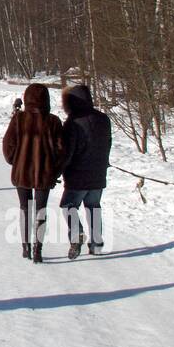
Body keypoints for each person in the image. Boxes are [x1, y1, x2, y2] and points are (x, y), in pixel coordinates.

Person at [2, 85, 64, 264]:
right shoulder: (53, 121)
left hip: (22, 173)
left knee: (24, 208)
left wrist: (17, 161)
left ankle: (25, 246)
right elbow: (61, 151)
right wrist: (54, 170)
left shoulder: (19, 119)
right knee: (41, 211)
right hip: (44, 174)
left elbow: (8, 146)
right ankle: (38, 248)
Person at [58, 84, 112, 257]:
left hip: (77, 175)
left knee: (68, 205)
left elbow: (68, 151)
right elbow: (108, 144)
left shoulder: (72, 122)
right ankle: (96, 244)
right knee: (94, 207)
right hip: (98, 174)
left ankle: (77, 234)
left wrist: (58, 171)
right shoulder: (104, 119)